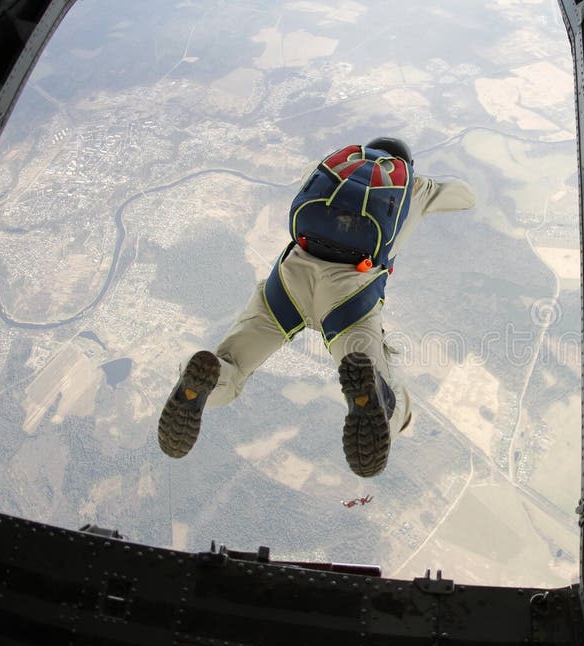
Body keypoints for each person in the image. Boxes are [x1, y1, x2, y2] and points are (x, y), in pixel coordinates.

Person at [157, 137, 475, 477]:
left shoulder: (334, 168)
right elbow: (465, 197)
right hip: (348, 299)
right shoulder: (413, 188)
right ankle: (378, 404)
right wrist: (421, 184)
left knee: (233, 368)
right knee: (390, 393)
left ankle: (203, 377)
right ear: (404, 166)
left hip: (286, 284)